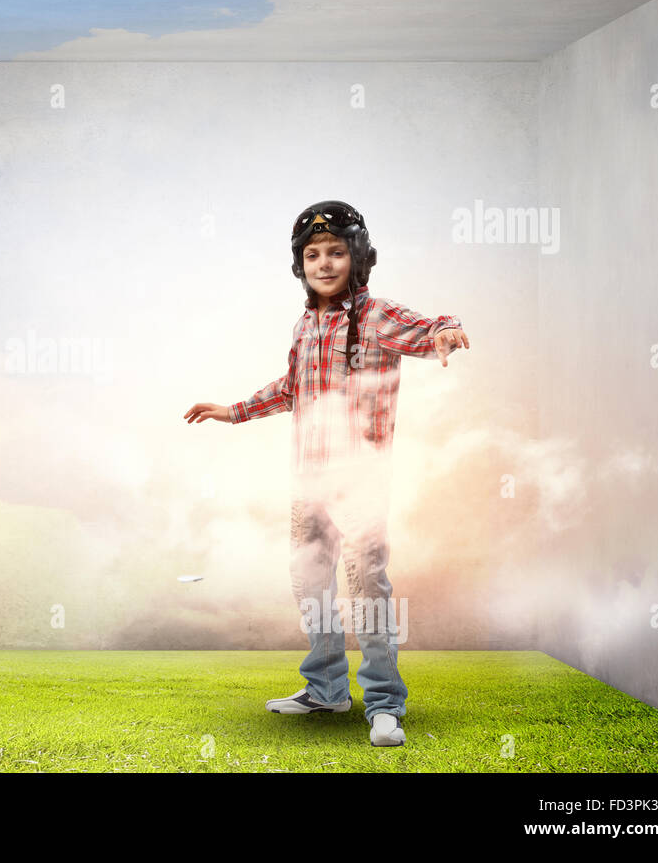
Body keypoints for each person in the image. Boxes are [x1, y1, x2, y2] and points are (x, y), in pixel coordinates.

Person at [183, 200, 469, 747]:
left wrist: (448, 333)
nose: (325, 262)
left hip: (360, 479)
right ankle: (326, 689)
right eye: (313, 254)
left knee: (367, 591)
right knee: (310, 583)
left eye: (336, 251)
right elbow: (292, 390)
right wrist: (231, 410)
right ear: (301, 265)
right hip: (307, 481)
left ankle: (385, 705)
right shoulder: (304, 324)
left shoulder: (377, 315)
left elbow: (429, 326)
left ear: (358, 258)